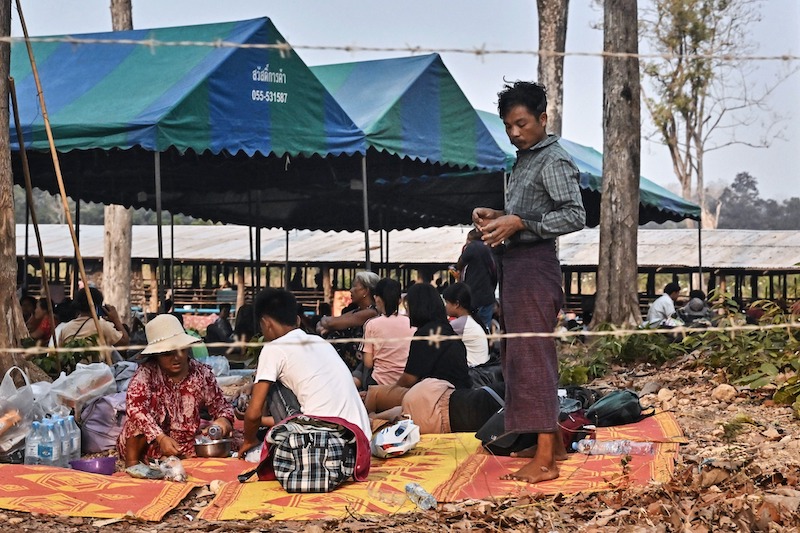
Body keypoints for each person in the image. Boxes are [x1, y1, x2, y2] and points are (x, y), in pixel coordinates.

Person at [472, 81, 585, 484]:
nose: (515, 133)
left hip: (535, 267)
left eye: (521, 123)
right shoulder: (524, 160)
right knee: (519, 357)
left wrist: (521, 222)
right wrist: (499, 215)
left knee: (534, 356)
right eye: (508, 126)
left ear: (542, 118)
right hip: (517, 266)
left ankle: (545, 461)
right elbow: (526, 213)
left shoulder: (553, 159)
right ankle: (550, 443)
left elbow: (574, 215)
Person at [240, 288, 372, 457]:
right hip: (361, 446)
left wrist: (249, 442)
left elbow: (254, 413)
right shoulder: (320, 342)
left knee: (272, 386)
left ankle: (287, 450)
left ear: (266, 323)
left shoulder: (274, 348)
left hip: (324, 449)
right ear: (297, 320)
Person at [117, 314, 234, 467]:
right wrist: (160, 437)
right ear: (156, 355)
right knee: (136, 421)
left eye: (181, 350)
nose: (176, 358)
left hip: (184, 445)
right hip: (150, 443)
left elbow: (223, 407)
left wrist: (221, 423)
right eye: (167, 354)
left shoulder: (201, 374)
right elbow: (135, 407)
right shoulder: (146, 374)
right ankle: (132, 465)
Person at [363, 283, 472, 415]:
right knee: (376, 395)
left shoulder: (424, 334)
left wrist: (390, 391)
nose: (408, 312)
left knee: (374, 398)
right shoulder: (445, 329)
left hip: (438, 400)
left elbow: (409, 379)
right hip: (455, 396)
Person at [355, 278, 414, 388]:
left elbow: (368, 363)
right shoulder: (411, 323)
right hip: (405, 382)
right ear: (400, 300)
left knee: (362, 365)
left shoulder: (372, 324)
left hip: (379, 382)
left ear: (377, 299)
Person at [316, 271, 380, 370]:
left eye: (355, 286)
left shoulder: (371, 312)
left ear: (365, 291)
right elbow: (333, 321)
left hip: (358, 365)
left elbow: (330, 322)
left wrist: (326, 323)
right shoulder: (358, 311)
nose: (351, 290)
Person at [58, 287, 130, 355]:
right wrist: (115, 319)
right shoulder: (101, 326)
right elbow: (124, 342)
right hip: (96, 367)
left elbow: (58, 353)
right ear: (97, 307)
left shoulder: (65, 329)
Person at [455, 229, 498, 330]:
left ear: (470, 238)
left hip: (474, 297)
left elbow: (460, 263)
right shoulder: (490, 248)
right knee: (485, 327)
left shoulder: (472, 246)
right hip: (488, 297)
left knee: (471, 328)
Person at [442, 282, 490, 367]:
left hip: (473, 370)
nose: (445, 306)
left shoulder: (460, 324)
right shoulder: (471, 320)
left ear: (456, 304)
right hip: (481, 368)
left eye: (447, 302)